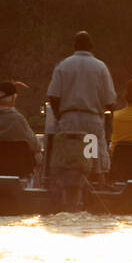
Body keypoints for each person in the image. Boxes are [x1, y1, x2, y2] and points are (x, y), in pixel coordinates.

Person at [45, 31, 117, 178]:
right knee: (91, 164)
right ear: (92, 47)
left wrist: (60, 116)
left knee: (69, 163)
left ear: (75, 46)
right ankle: (91, 194)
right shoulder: (100, 67)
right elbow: (110, 101)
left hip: (69, 122)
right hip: (91, 124)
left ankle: (68, 195)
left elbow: (53, 96)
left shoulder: (63, 66)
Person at [0, 80, 43, 177]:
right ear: (13, 98)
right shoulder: (16, 118)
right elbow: (34, 144)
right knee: (38, 154)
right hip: (19, 166)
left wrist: (9, 87)